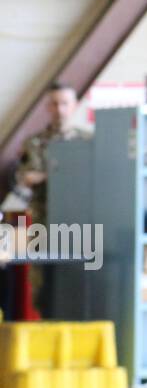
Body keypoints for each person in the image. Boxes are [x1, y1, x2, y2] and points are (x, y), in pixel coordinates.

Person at [10, 83, 93, 312]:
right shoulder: (35, 142)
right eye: (54, 104)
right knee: (41, 280)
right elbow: (26, 178)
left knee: (79, 276)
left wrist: (47, 175)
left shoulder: (87, 141)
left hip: (79, 220)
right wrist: (58, 174)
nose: (60, 109)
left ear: (74, 105)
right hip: (42, 217)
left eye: (65, 103)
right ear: (48, 107)